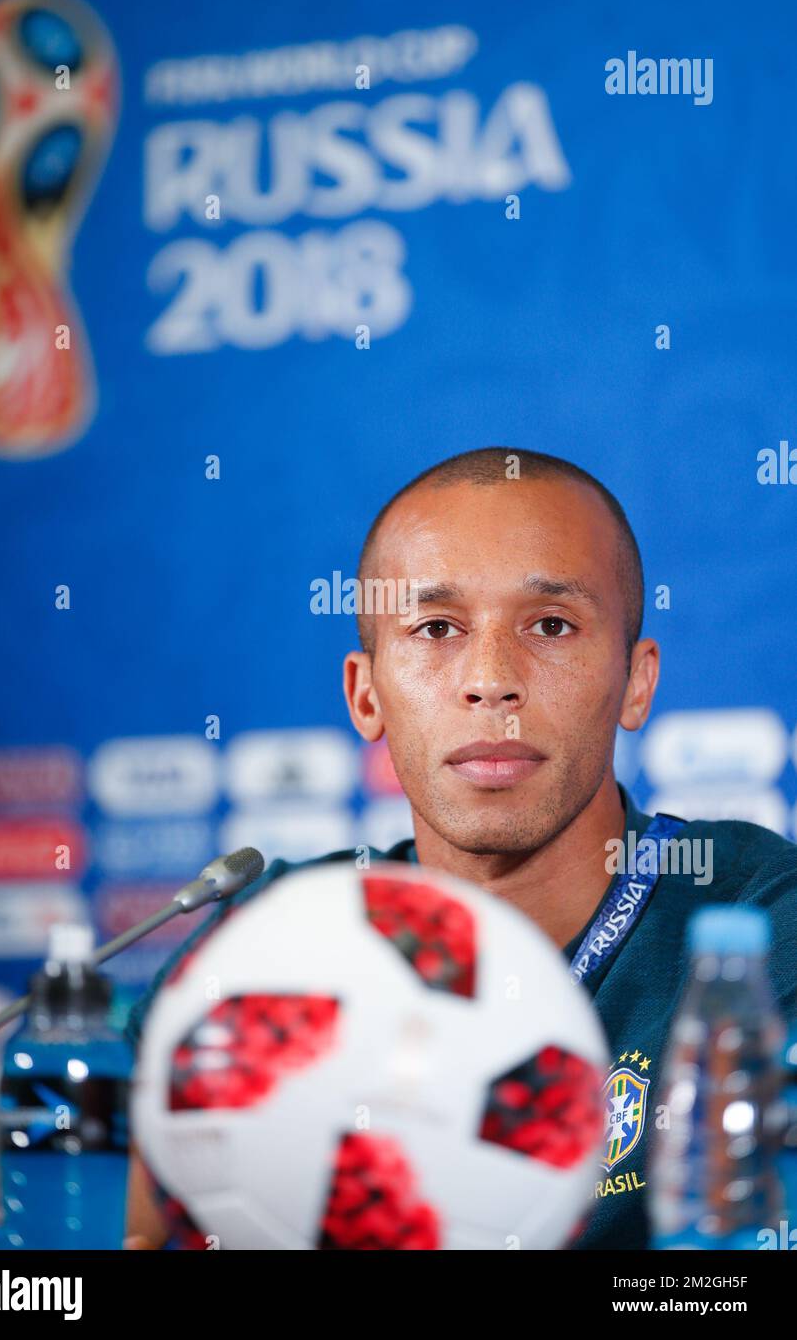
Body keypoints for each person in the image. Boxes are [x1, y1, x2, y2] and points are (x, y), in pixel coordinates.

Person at [124, 446, 797, 1250]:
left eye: (550, 625)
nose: (490, 681)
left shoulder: (761, 926)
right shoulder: (265, 945)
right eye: (436, 628)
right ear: (366, 695)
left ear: (636, 682)